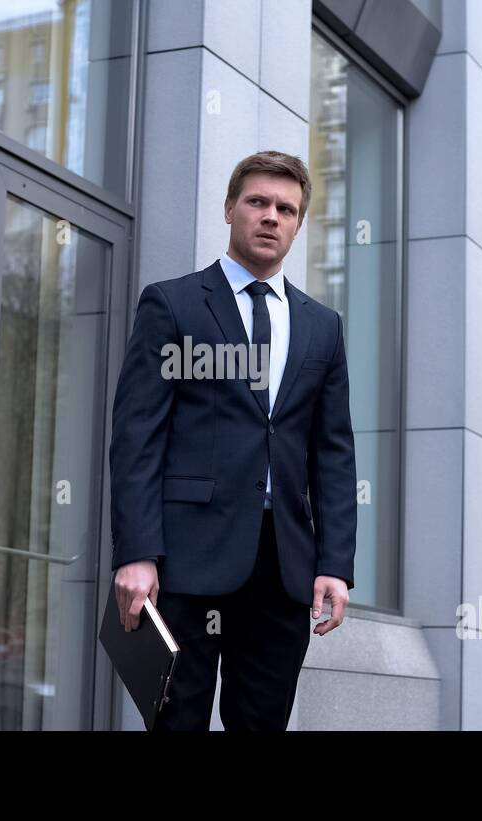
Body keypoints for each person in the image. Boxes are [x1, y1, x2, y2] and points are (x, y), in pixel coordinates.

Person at [109, 150, 357, 731]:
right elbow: (137, 436)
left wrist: (335, 564)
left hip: (284, 568)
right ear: (229, 210)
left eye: (286, 208)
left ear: (298, 224)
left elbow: (334, 452)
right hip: (186, 562)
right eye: (258, 202)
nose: (271, 216)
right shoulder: (172, 304)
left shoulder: (324, 326)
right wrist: (137, 552)